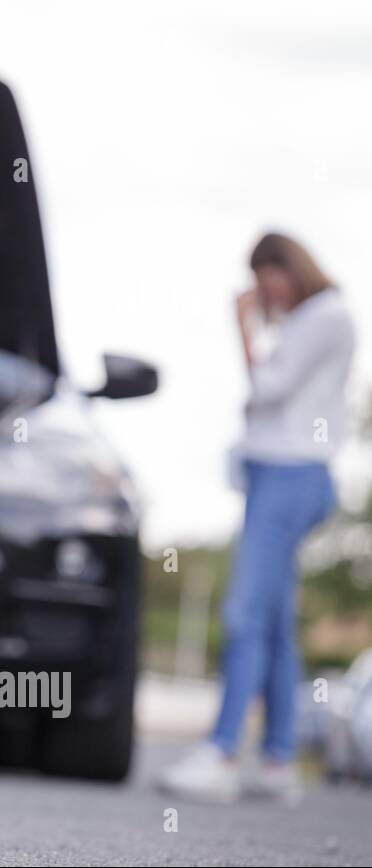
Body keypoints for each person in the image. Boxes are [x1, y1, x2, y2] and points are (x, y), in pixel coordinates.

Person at [160, 232, 354, 803]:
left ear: (288, 268)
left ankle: (221, 752)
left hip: (291, 477)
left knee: (244, 615)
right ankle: (277, 760)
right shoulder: (310, 320)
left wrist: (242, 325)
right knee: (273, 626)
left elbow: (268, 389)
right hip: (280, 476)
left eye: (266, 275)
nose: (262, 289)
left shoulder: (324, 313)